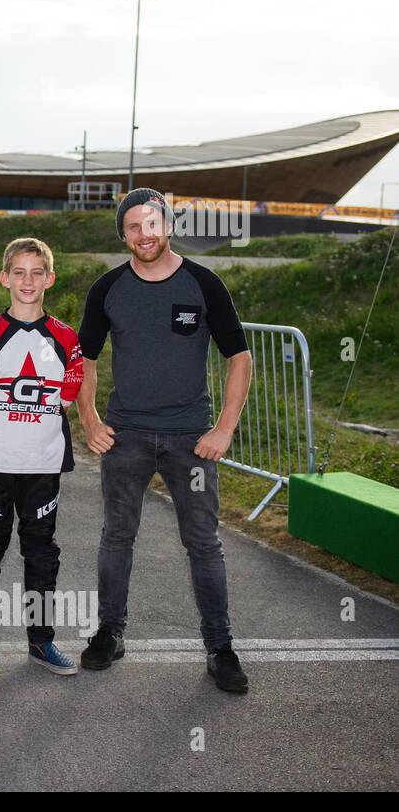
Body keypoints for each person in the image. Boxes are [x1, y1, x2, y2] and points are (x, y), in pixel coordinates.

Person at [76, 187, 253, 693]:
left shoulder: (204, 283)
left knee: (203, 544)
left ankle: (220, 648)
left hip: (191, 441)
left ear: (168, 225)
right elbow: (84, 360)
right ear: (124, 234)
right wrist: (89, 417)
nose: (143, 234)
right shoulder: (108, 288)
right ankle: (110, 632)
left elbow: (238, 358)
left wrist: (224, 428)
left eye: (151, 223)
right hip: (125, 436)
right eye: (132, 227)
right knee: (116, 536)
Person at [0, 238, 82, 675]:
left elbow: (65, 399)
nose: (27, 281)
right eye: (19, 272)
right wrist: (1, 435)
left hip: (43, 467)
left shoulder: (66, 338)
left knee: (41, 551)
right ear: (4, 278)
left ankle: (41, 642)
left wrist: (32, 433)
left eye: (36, 273)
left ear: (49, 278)